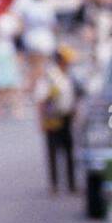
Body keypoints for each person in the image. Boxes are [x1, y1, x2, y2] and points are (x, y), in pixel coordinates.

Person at [35, 45, 77, 193]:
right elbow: (40, 99)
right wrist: (41, 121)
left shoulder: (68, 75)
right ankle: (54, 185)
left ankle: (72, 185)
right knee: (53, 152)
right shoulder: (50, 76)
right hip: (53, 118)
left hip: (66, 117)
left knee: (70, 152)